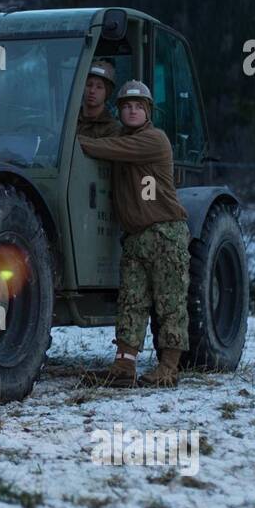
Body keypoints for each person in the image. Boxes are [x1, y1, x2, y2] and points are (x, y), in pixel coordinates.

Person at [79, 80, 189, 387]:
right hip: (135, 238)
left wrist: (72, 142)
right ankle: (124, 367)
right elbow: (104, 137)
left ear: (148, 111)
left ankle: (168, 368)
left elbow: (105, 146)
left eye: (138, 107)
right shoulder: (119, 136)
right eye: (126, 106)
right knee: (131, 302)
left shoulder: (154, 139)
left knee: (170, 302)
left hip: (165, 233)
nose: (132, 111)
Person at [77, 59, 121, 139]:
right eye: (89, 85)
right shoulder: (69, 120)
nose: (92, 91)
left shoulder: (112, 128)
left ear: (107, 92)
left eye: (99, 87)